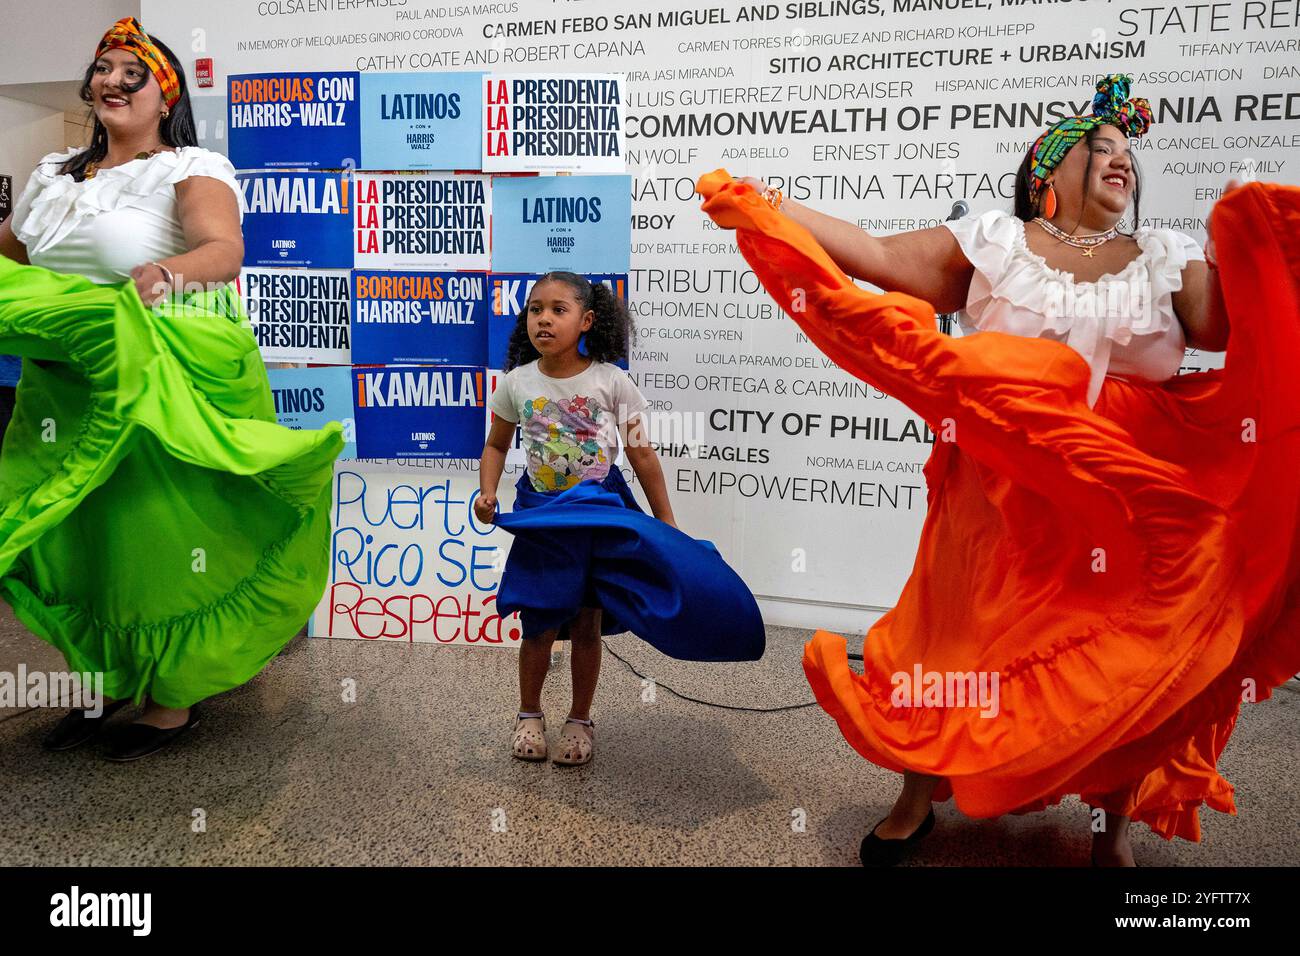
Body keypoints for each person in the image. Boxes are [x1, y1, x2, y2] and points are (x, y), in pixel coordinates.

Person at [698, 74, 1299, 865]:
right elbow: (876, 254)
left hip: (1128, 493)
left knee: (1128, 651)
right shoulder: (995, 242)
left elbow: (1224, 326)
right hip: (999, 488)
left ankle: (1108, 831)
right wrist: (769, 201)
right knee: (952, 639)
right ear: (1048, 171)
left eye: (1129, 155)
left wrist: (1241, 237)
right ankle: (916, 797)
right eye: (1103, 149)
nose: (1124, 162)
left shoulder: (1166, 254)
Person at [0, 17, 341, 760]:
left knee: (156, 535)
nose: (113, 82)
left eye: (134, 72)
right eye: (103, 69)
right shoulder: (54, 173)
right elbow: (12, 268)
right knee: (83, 540)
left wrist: (168, 274)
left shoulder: (189, 166)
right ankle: (114, 679)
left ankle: (172, 699)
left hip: (158, 379)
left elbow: (223, 248)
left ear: (166, 97)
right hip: (68, 391)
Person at [478, 272, 763, 765]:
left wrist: (667, 522)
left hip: (597, 516)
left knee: (588, 621)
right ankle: (529, 714)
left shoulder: (612, 381)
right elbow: (496, 445)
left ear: (587, 320)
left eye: (558, 309)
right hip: (544, 518)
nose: (544, 318)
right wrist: (486, 492)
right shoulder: (516, 383)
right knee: (539, 621)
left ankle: (580, 719)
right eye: (535, 310)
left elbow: (642, 454)